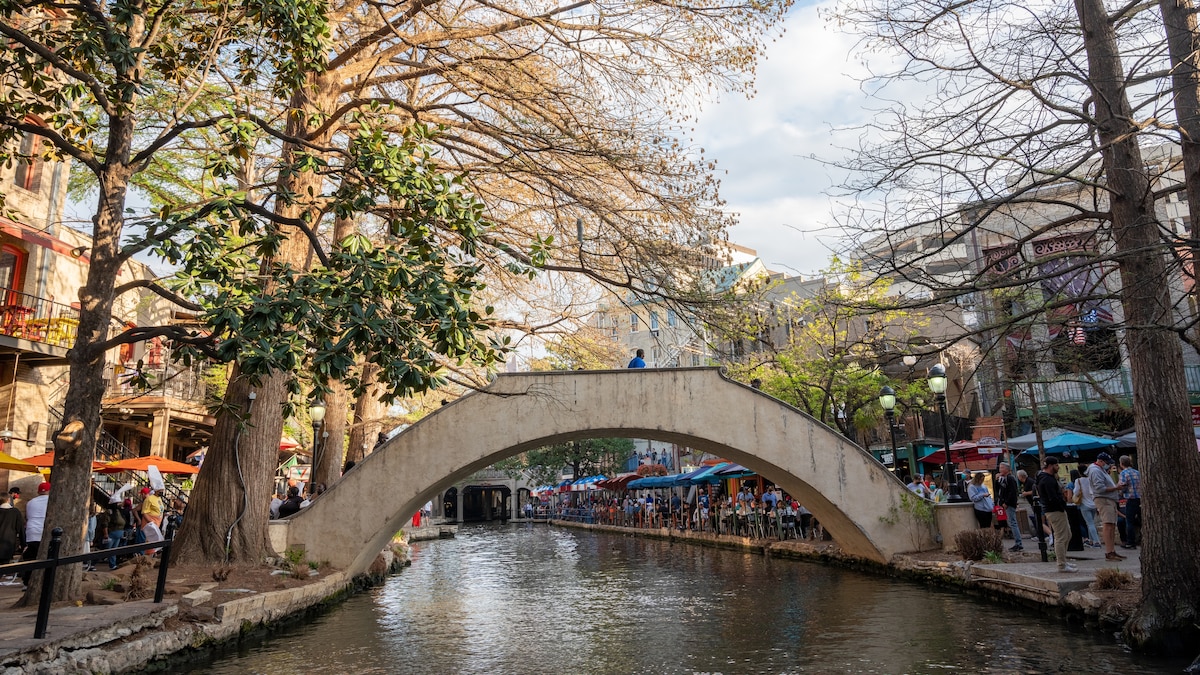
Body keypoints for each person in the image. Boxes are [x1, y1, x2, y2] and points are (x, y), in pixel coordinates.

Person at [1034, 456, 1076, 572]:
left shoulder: (1044, 478)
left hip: (1055, 509)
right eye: (1057, 465)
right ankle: (1061, 564)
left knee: (1067, 534)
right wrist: (1062, 504)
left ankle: (1063, 560)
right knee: (1061, 537)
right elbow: (1052, 497)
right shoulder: (1047, 480)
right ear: (1051, 466)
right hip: (1054, 510)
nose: (1058, 467)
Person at [1087, 452, 1125, 561]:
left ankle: (1112, 550)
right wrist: (1116, 488)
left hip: (1109, 499)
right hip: (1104, 499)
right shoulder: (1095, 470)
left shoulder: (1100, 470)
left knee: (1112, 525)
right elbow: (1099, 488)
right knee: (1108, 524)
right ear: (1101, 461)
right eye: (1107, 462)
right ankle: (1109, 552)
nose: (1108, 465)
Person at [22, 482, 50, 584]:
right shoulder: (52, 501)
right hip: (45, 531)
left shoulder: (30, 502)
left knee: (31, 557)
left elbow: (27, 517)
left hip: (32, 531)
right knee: (47, 558)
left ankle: (27, 581)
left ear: (38, 491)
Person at [994, 463, 1023, 551]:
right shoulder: (1003, 479)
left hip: (1009, 503)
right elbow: (998, 490)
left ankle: (1018, 543)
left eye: (1002, 468)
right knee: (1011, 522)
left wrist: (1006, 502)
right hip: (1004, 503)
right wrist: (996, 480)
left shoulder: (1010, 478)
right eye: (999, 468)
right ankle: (1018, 542)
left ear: (1007, 469)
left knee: (1012, 523)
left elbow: (1012, 492)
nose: (1000, 470)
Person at [1070, 468, 1100, 547]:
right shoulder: (1091, 479)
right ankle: (1092, 540)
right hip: (1093, 503)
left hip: (1084, 504)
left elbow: (1076, 492)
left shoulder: (1078, 481)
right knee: (1092, 523)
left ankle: (1096, 541)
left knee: (1089, 523)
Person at [1118, 455, 1141, 549]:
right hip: (1139, 498)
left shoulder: (1124, 473)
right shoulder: (1137, 472)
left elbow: (1122, 486)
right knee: (1140, 520)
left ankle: (1131, 542)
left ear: (1121, 463)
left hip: (1130, 498)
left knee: (1129, 521)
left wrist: (1120, 492)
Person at [0, 490, 23, 566]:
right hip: (8, 544)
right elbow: (20, 528)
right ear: (8, 500)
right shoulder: (15, 512)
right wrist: (23, 544)